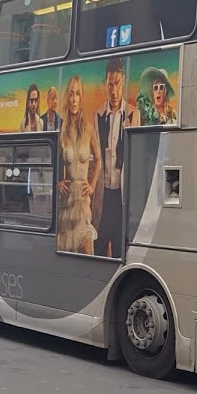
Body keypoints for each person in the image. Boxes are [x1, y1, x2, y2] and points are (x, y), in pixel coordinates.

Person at [93, 57, 133, 258]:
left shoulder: (133, 114)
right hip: (103, 195)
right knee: (99, 246)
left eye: (117, 84)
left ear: (122, 81)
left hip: (122, 196)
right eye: (110, 85)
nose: (114, 91)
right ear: (106, 84)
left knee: (119, 250)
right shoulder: (98, 115)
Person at [56, 74, 101, 254]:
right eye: (71, 94)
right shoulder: (62, 131)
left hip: (82, 201)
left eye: (78, 94)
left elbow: (98, 159)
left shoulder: (88, 128)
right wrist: (58, 182)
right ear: (68, 98)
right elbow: (53, 163)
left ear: (81, 98)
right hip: (66, 202)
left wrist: (92, 186)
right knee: (66, 255)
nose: (74, 99)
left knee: (87, 252)